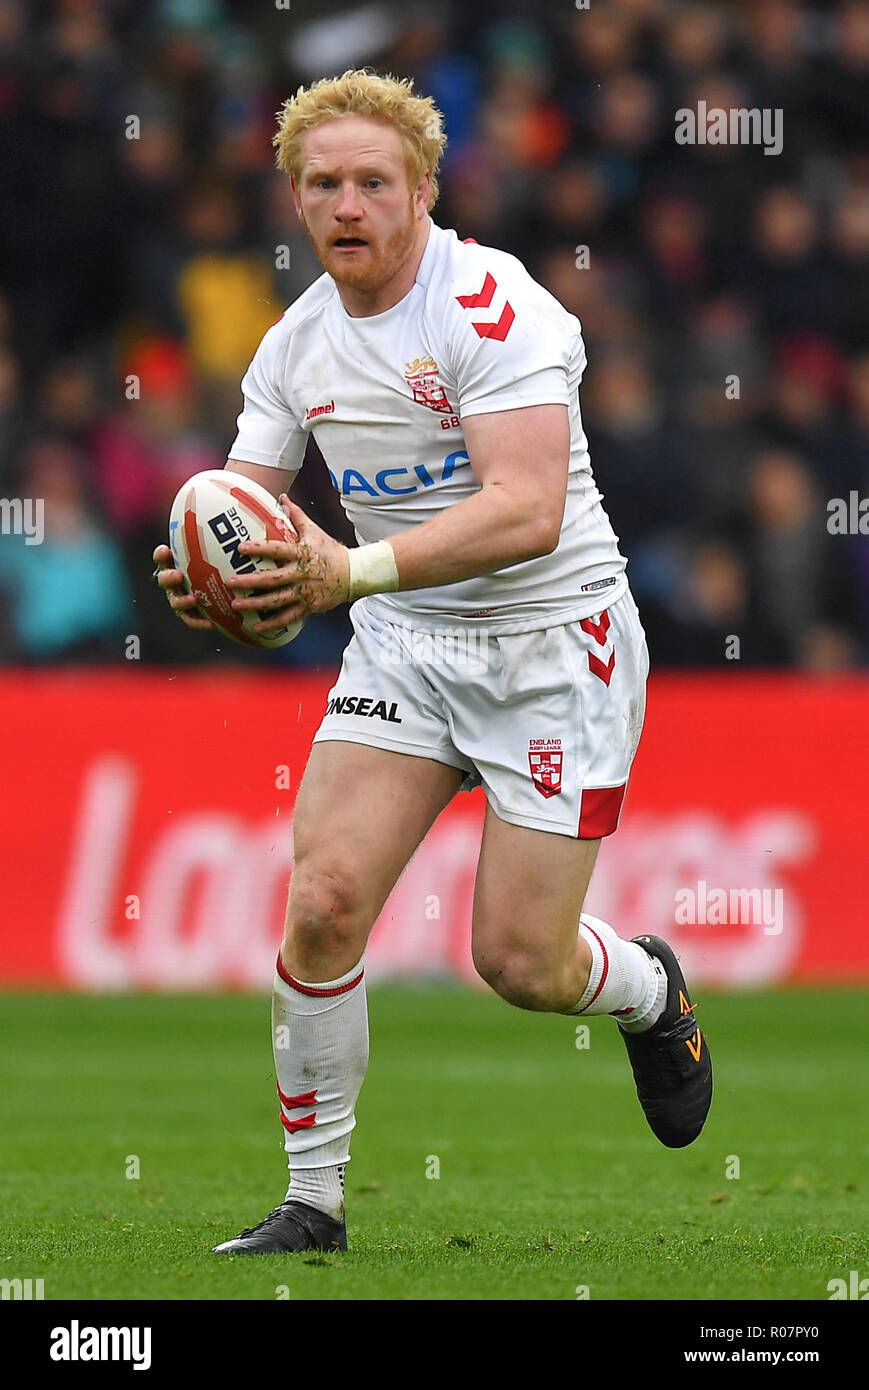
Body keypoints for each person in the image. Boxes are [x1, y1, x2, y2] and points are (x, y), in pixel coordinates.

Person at [154, 69, 712, 1256]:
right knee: (323, 901)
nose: (345, 204)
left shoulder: (492, 307)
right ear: (294, 200)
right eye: (321, 184)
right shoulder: (293, 347)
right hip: (408, 644)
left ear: (420, 189)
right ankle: (314, 1202)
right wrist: (215, 580)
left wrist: (345, 572)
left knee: (518, 963)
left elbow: (526, 509)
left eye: (370, 181)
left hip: (553, 646)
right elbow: (244, 508)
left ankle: (649, 990)